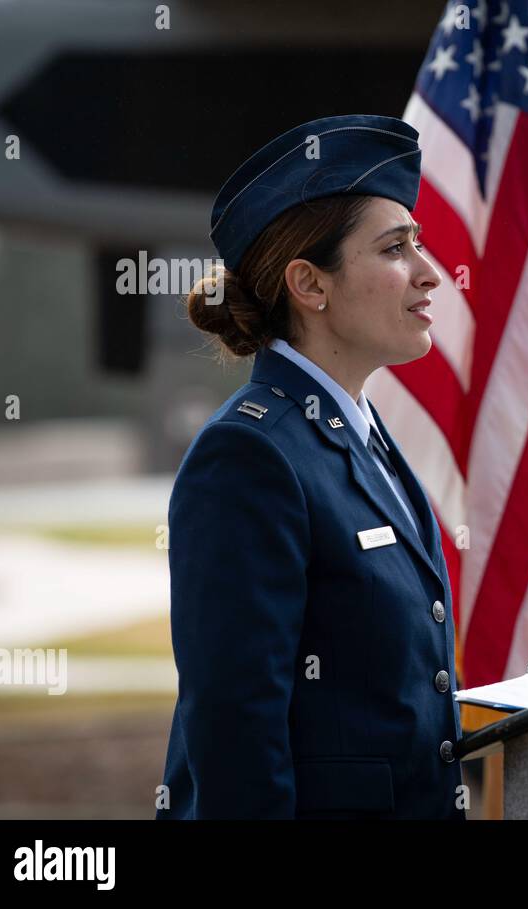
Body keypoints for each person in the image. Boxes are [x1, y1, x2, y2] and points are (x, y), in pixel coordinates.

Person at [155, 114, 465, 820]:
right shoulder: (250, 455)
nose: (429, 273)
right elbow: (236, 733)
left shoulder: (363, 433)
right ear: (309, 284)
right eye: (395, 248)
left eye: (419, 244)